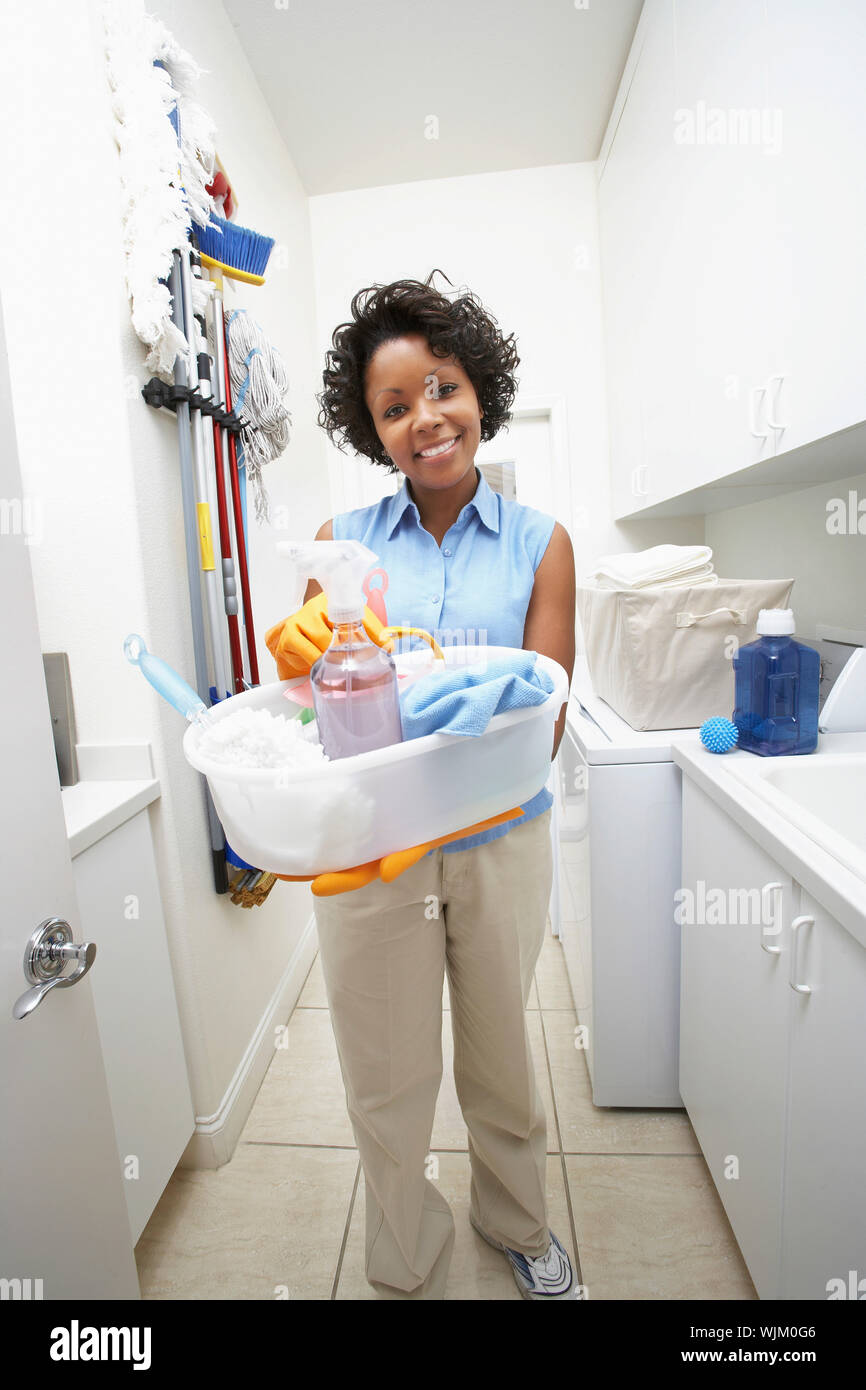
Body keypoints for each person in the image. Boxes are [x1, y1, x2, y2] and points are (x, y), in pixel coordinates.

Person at [265, 271, 577, 1299]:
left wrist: (476, 714)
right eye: (393, 407)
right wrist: (296, 655)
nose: (423, 420)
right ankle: (403, 1255)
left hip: (498, 835)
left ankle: (518, 1224)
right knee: (384, 1073)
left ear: (478, 387)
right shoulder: (343, 549)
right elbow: (313, 701)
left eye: (438, 387)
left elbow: (549, 709)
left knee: (499, 1058)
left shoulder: (542, 544)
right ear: (371, 430)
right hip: (372, 841)